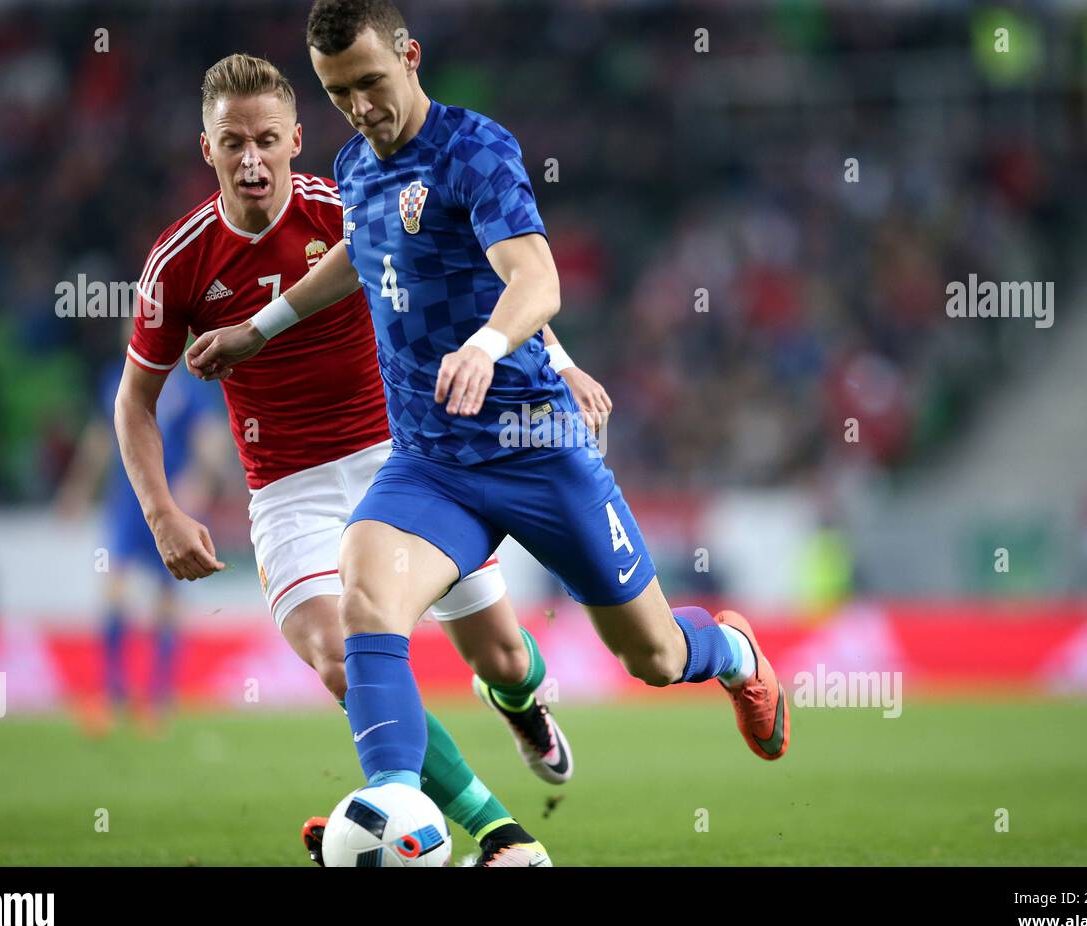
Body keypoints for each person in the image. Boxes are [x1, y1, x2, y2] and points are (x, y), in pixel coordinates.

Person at [186, 0, 791, 834]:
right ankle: (396, 802)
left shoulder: (475, 150)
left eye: (370, 82)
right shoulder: (356, 166)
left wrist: (486, 346)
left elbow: (537, 279)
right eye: (337, 93)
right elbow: (359, 257)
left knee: (652, 655)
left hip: (533, 445)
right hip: (430, 461)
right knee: (366, 600)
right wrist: (258, 330)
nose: (359, 107)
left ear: (410, 56)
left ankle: (734, 653)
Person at [116, 53, 609, 866]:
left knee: (502, 656)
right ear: (207, 149)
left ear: (294, 140)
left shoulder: (347, 206)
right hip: (290, 492)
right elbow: (134, 401)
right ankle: (499, 834)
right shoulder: (180, 262)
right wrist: (162, 511)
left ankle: (519, 701)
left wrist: (559, 362)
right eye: (232, 142)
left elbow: (481, 273)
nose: (251, 159)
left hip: (405, 459)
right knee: (343, 659)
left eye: (266, 139)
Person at [58, 349, 225, 734]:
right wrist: (78, 488)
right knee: (113, 591)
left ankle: (158, 699)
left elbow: (209, 436)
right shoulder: (117, 378)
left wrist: (202, 478)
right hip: (127, 505)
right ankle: (113, 695)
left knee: (166, 599)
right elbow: (101, 438)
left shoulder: (188, 383)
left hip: (171, 505)